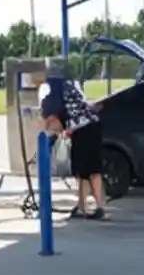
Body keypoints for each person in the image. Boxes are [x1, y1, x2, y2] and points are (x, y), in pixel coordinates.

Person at [38, 63, 106, 220]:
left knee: (91, 170)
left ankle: (100, 207)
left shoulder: (55, 95)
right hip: (91, 127)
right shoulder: (71, 88)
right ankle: (81, 205)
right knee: (83, 171)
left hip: (84, 130)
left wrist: (48, 132)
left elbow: (52, 121)